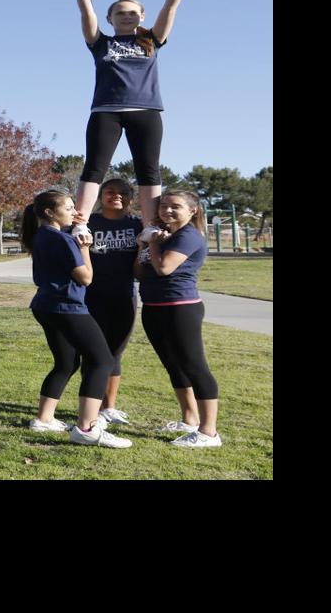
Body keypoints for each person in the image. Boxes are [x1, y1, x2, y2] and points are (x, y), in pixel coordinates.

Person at [67, 0, 198, 242]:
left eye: (132, 12)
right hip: (106, 110)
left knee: (148, 169)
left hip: (147, 111)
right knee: (94, 167)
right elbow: (85, 11)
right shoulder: (100, 43)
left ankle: (151, 224)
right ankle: (80, 223)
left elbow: (170, 8)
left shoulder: (150, 40)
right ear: (111, 18)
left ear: (141, 17)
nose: (126, 16)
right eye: (120, 12)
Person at [20, 191, 129, 449]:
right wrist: (84, 247)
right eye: (68, 207)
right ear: (49, 212)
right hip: (66, 306)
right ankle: (87, 428)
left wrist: (74, 229)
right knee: (102, 361)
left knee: (66, 362)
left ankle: (44, 419)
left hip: (45, 305)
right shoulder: (63, 240)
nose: (73, 211)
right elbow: (86, 278)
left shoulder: (41, 235)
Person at [137, 191, 222, 447]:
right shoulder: (164, 236)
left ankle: (209, 433)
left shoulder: (189, 236)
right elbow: (139, 272)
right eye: (163, 206)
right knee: (173, 365)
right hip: (153, 306)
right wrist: (144, 244)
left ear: (192, 211)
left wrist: (152, 243)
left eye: (175, 207)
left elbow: (163, 269)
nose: (168, 211)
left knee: (195, 367)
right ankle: (189, 419)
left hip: (180, 307)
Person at [85, 178, 143, 425]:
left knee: (115, 352)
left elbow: (140, 270)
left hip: (124, 296)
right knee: (94, 354)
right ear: (100, 196)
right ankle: (91, 406)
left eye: (122, 193)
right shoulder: (89, 222)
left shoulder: (138, 224)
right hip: (91, 297)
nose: (116, 196)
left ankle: (109, 407)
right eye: (110, 192)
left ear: (130, 198)